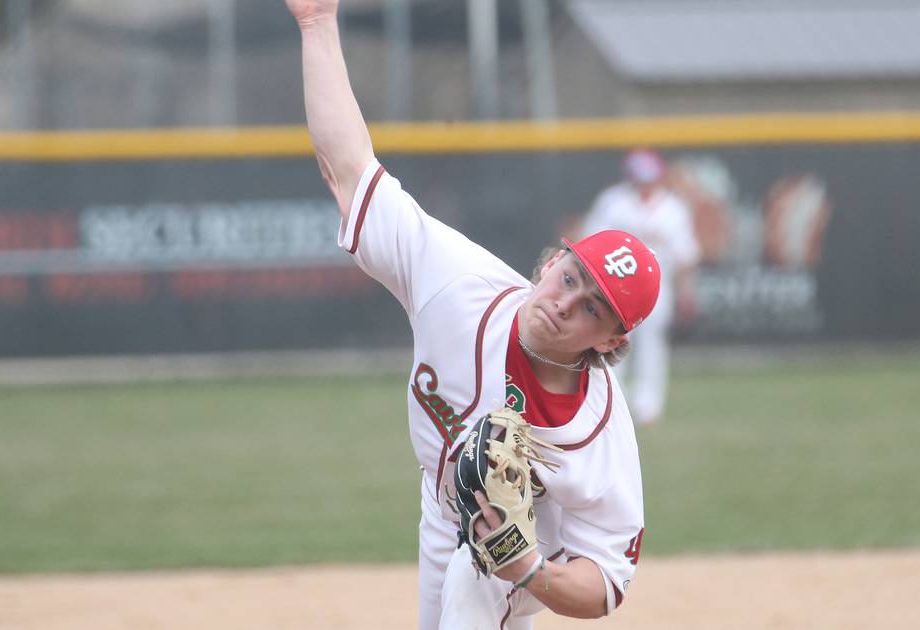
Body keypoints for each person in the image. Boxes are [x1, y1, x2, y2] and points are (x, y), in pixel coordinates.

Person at [285, 1, 659, 627]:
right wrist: (318, 23)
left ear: (612, 340)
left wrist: (530, 569)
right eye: (570, 278)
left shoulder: (596, 429)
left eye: (592, 307)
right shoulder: (459, 285)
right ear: (549, 263)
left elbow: (607, 583)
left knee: (476, 573)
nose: (565, 304)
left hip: (524, 544)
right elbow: (350, 172)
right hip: (441, 508)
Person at [579, 149, 701, 425]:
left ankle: (648, 405)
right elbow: (590, 243)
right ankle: (610, 403)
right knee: (611, 344)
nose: (644, 184)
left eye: (649, 178)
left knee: (651, 345)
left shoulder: (672, 208)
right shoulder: (613, 202)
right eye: (640, 178)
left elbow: (685, 255)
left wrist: (687, 293)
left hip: (659, 287)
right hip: (615, 287)